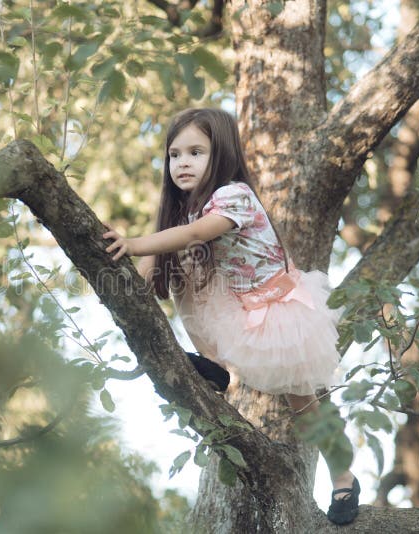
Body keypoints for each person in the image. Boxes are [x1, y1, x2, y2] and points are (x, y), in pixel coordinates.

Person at [102, 108, 360, 525]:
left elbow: (195, 235)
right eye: (174, 155)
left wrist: (132, 243)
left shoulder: (233, 195)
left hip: (277, 312)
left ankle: (344, 474)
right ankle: (215, 366)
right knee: (179, 272)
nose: (182, 163)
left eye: (195, 152)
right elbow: (173, 249)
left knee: (305, 406)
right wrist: (124, 273)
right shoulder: (187, 208)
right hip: (237, 304)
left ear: (220, 154)